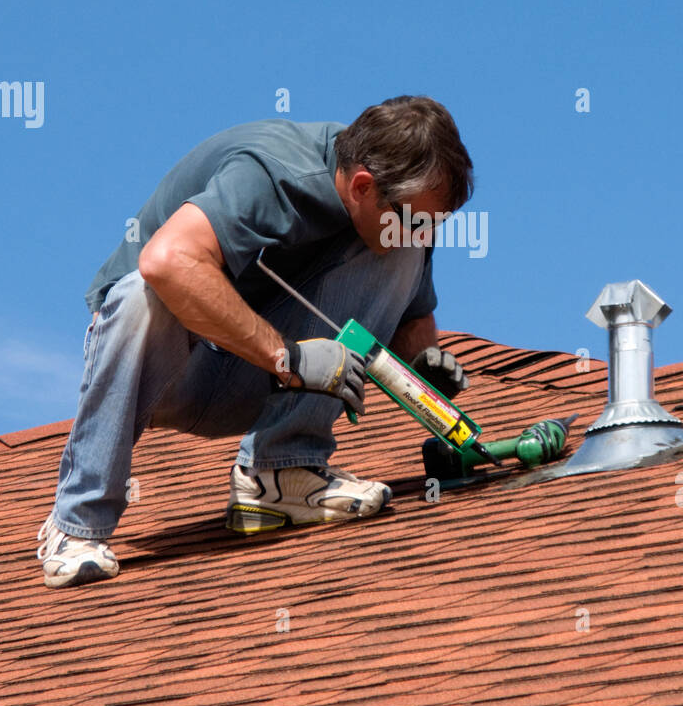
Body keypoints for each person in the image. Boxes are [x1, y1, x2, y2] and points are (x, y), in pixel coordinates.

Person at [37, 95, 473, 588]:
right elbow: (166, 261)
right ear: (362, 185)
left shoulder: (401, 214)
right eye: (417, 221)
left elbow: (413, 315)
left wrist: (421, 366)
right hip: (165, 372)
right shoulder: (271, 171)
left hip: (250, 380)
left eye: (433, 225)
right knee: (147, 290)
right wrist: (290, 359)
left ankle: (280, 476)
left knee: (398, 252)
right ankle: (76, 525)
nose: (422, 233)